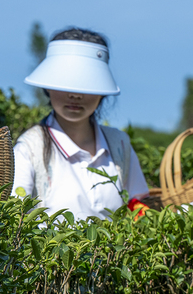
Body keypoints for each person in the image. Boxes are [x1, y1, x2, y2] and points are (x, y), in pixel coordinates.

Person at [13, 27, 148, 219]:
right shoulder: (30, 147)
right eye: (65, 83)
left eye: (87, 84)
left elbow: (137, 205)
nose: (75, 95)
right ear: (47, 86)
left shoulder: (119, 143)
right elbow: (16, 214)